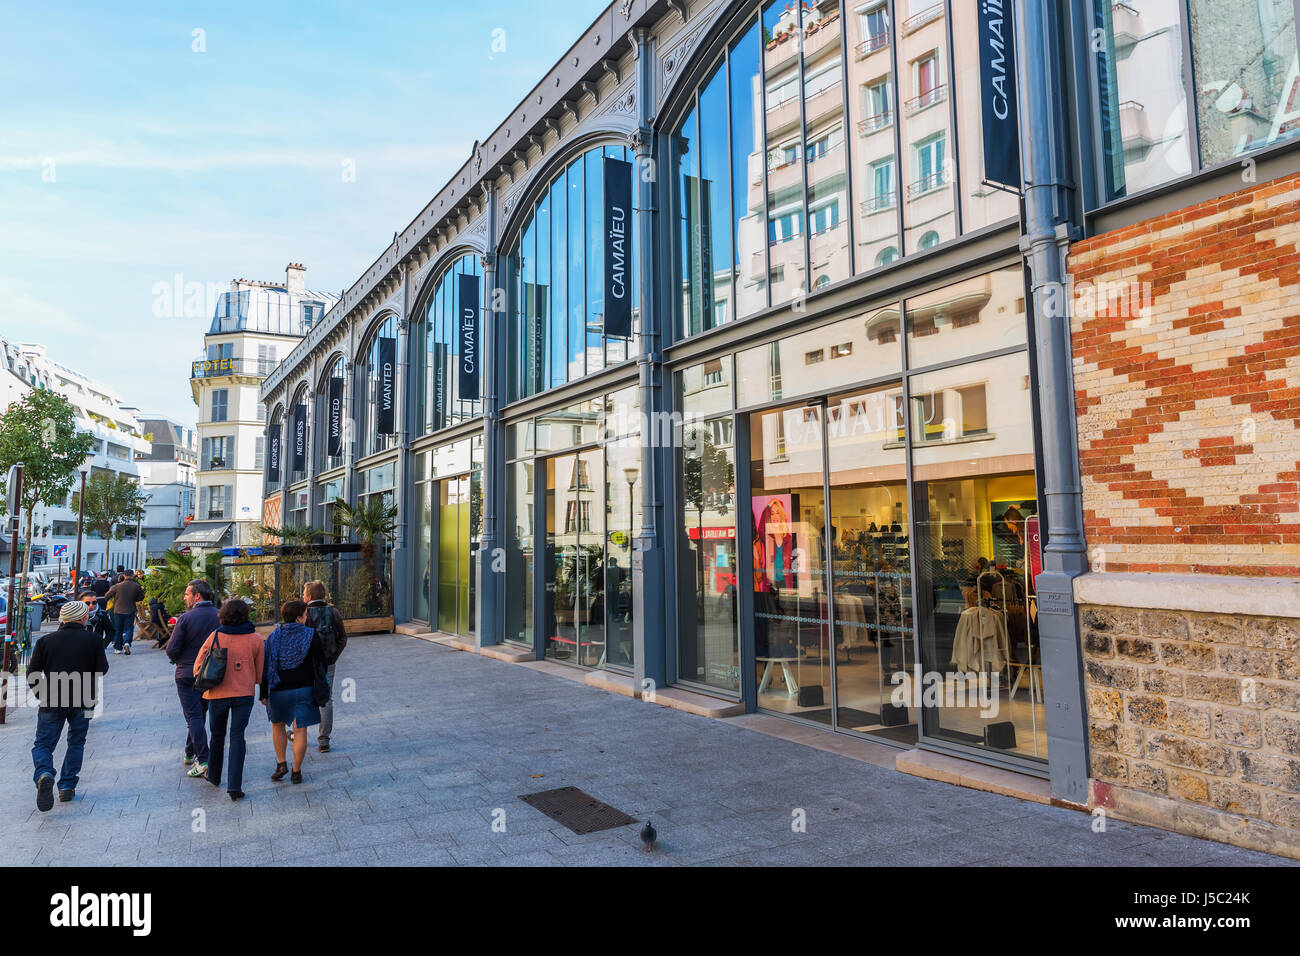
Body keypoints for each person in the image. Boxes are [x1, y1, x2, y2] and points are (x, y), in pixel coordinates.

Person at [27, 601, 109, 810]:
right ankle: (67, 786)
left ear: (62, 618)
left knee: (43, 744)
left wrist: (42, 694)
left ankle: (44, 772)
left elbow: (33, 673)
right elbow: (102, 669)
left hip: (52, 699)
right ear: (82, 618)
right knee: (76, 742)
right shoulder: (93, 639)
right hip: (84, 698)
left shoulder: (45, 641)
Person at [194, 598, 264, 800]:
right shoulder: (255, 639)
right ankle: (235, 786)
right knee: (237, 736)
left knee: (217, 735)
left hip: (217, 694)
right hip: (244, 694)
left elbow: (197, 667)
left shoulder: (215, 636)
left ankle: (214, 776)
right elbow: (260, 675)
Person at [261, 599, 325, 784]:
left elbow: (266, 667)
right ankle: (296, 771)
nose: (306, 618)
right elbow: (320, 662)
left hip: (279, 689)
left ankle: (281, 764)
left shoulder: (273, 637)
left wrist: (264, 692)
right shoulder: (311, 635)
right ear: (298, 618)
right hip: (304, 688)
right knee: (300, 729)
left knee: (278, 726)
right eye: (305, 615)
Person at [165, 579, 220, 778]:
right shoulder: (219, 616)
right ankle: (190, 752)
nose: (184, 597)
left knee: (193, 717)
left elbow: (171, 649)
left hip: (187, 672)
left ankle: (203, 759)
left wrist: (176, 658)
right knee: (199, 713)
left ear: (197, 596)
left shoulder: (186, 618)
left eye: (187, 593)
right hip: (212, 673)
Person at [302, 581, 346, 753]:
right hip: (328, 662)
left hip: (307, 663)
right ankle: (324, 740)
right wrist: (333, 656)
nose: (303, 597)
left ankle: (299, 736)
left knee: (304, 697)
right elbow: (343, 638)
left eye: (304, 594)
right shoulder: (333, 612)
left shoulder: (303, 613)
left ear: (310, 596)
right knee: (326, 698)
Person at [106, 570, 144, 655]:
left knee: (118, 629)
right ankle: (127, 643)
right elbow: (141, 598)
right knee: (129, 628)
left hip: (118, 610)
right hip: (130, 610)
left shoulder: (117, 586)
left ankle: (118, 648)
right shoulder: (137, 586)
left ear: (124, 575)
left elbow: (107, 596)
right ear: (132, 575)